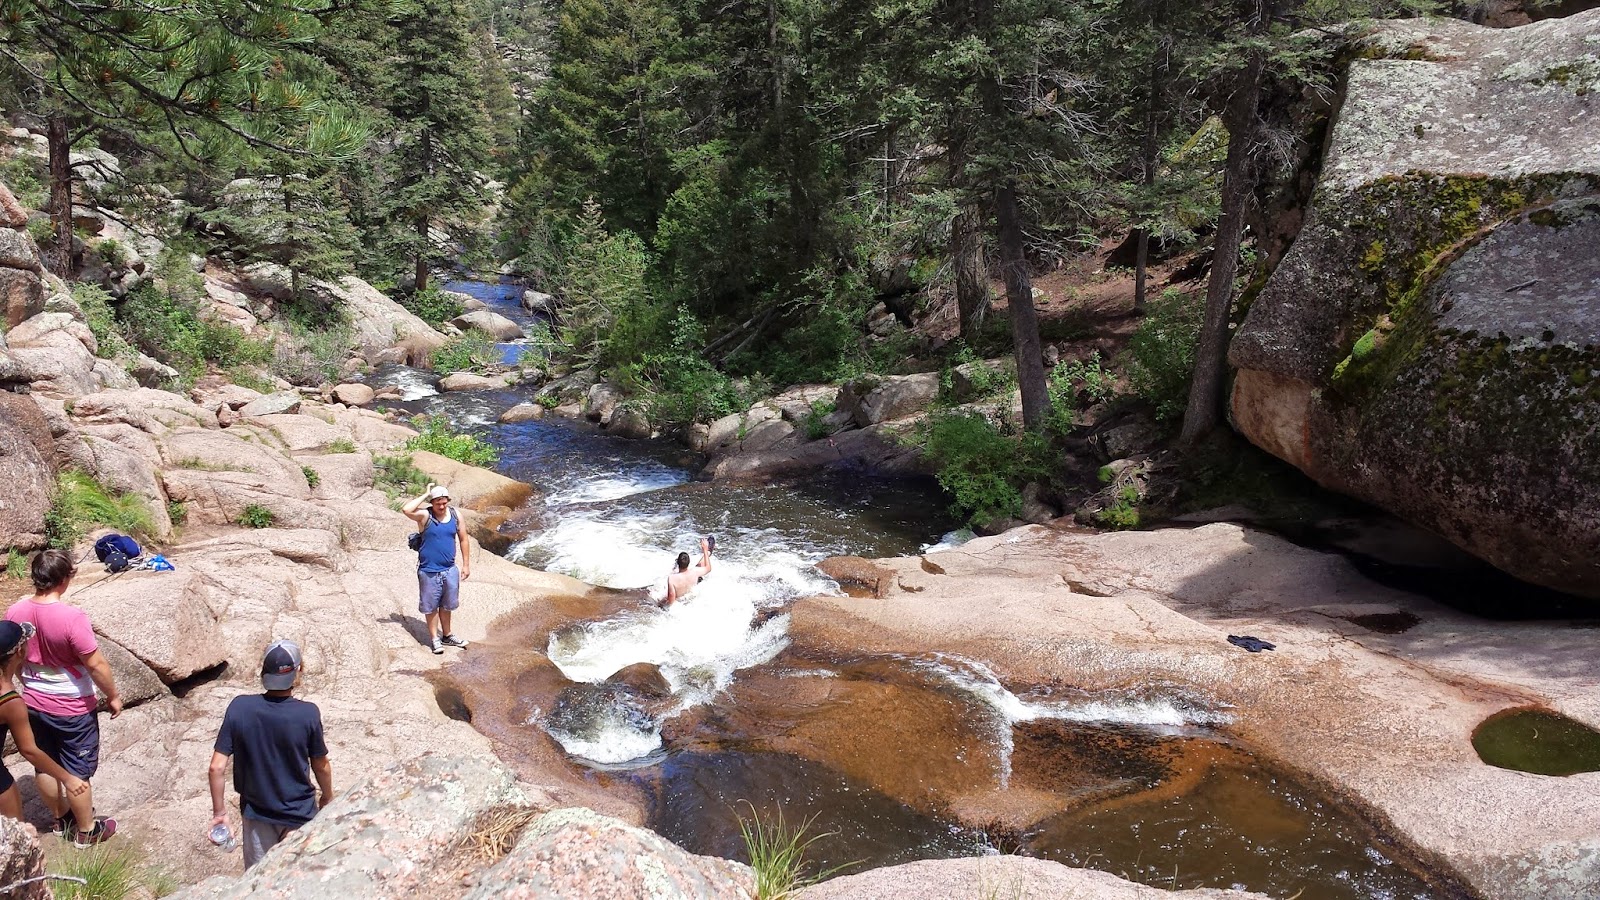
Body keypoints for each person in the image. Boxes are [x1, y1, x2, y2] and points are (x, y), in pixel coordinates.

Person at [4, 550, 119, 846]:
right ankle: (87, 831)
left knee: (44, 764)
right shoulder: (72, 618)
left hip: (32, 702)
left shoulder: (14, 612)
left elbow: (13, 659)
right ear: (64, 579)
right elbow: (96, 665)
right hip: (72, 708)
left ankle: (62, 819)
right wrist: (113, 695)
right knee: (77, 771)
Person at [208, 639, 333, 869]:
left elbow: (216, 767)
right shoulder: (308, 714)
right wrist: (327, 796)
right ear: (298, 672)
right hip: (300, 814)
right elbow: (321, 765)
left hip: (257, 815)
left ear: (264, 672)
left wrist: (219, 813)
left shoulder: (240, 707)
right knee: (297, 878)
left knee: (259, 881)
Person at [0, 620, 96, 844]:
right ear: (19, 652)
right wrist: (68, 779)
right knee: (15, 839)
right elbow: (29, 750)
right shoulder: (10, 701)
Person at [402, 484, 471, 654]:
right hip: (429, 570)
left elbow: (463, 539)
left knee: (447, 605)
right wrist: (425, 493)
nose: (441, 506)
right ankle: (434, 638)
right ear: (431, 502)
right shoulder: (425, 515)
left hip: (449, 569)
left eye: (444, 503)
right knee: (431, 606)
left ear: (448, 501)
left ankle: (447, 635)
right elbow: (406, 509)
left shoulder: (455, 515)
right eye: (437, 503)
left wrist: (466, 565)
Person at [662, 537, 713, 608]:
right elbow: (708, 568)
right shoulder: (695, 571)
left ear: (678, 563)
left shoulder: (672, 578)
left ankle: (708, 552)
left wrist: (662, 603)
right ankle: (708, 552)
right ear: (689, 562)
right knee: (698, 567)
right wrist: (705, 550)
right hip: (690, 597)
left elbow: (671, 600)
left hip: (679, 603)